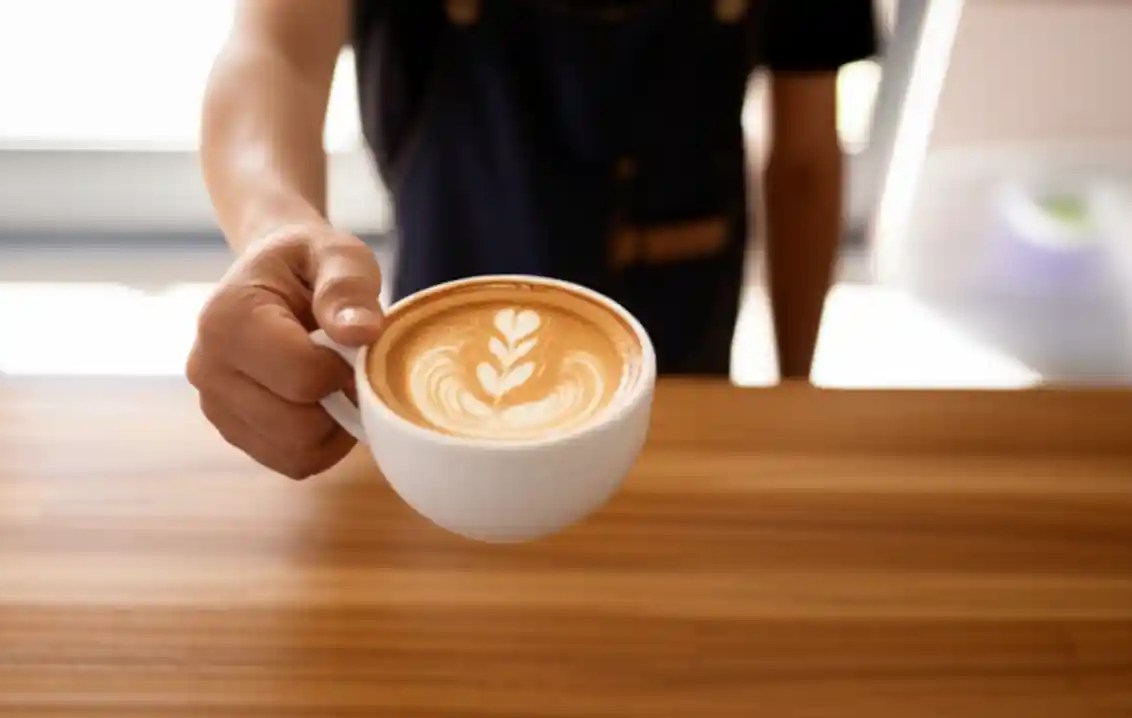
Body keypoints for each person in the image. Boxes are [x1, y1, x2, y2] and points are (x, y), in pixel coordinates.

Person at [187, 0, 878, 479]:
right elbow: (273, 51)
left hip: (688, 367)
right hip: (431, 390)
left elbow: (807, 159)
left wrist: (795, 390)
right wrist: (276, 228)